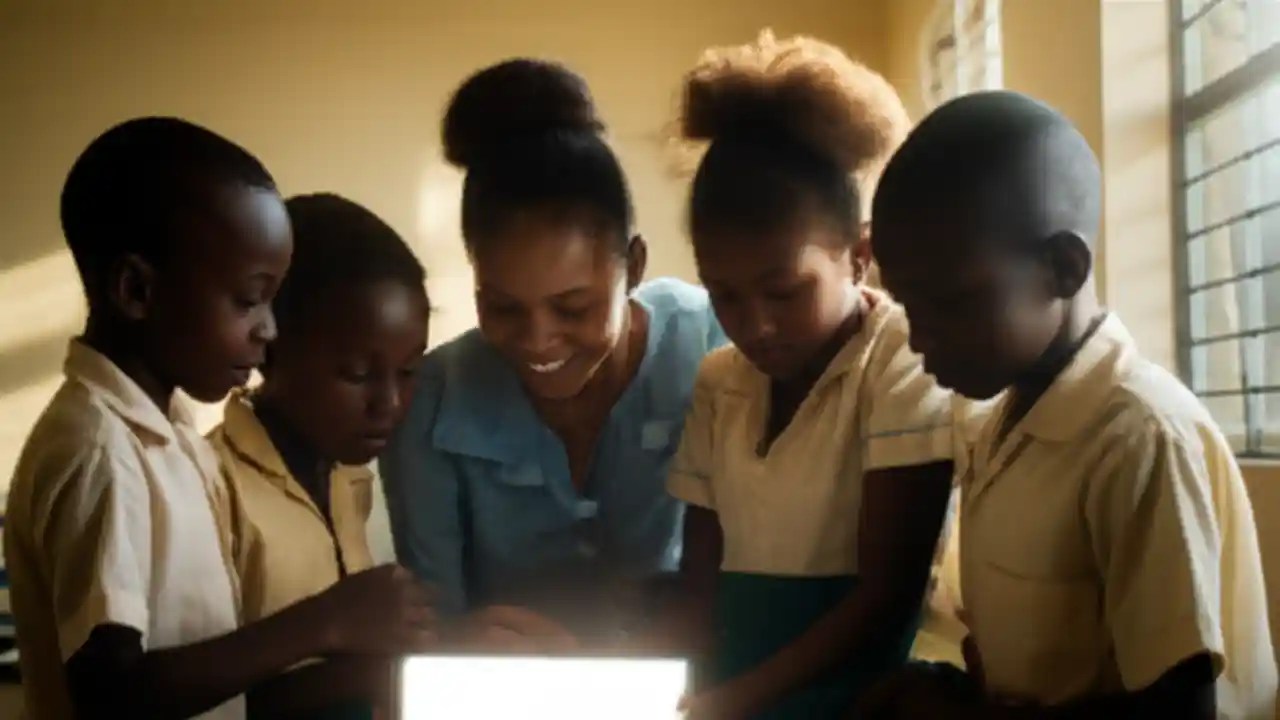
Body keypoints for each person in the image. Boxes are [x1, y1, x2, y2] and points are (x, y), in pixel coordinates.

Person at [861, 90, 1278, 719]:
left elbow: (1179, 709)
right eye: (908, 307)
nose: (919, 339)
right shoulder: (1001, 420)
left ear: (1063, 268)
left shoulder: (1137, 438)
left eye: (949, 304)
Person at [4, 118, 435, 720]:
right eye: (248, 299)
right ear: (136, 291)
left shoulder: (167, 436)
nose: (269, 329)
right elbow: (111, 694)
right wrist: (325, 622)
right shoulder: (99, 448)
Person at [380, 59, 726, 644]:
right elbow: (432, 630)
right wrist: (467, 645)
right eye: (503, 307)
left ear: (634, 266)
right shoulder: (431, 401)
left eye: (572, 308)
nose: (538, 341)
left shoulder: (715, 348)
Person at [665, 31, 956, 718]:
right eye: (724, 295)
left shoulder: (903, 361)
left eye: (784, 291)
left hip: (853, 699)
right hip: (727, 691)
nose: (754, 323)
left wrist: (734, 701)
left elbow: (887, 596)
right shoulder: (719, 382)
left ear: (859, 256)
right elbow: (699, 581)